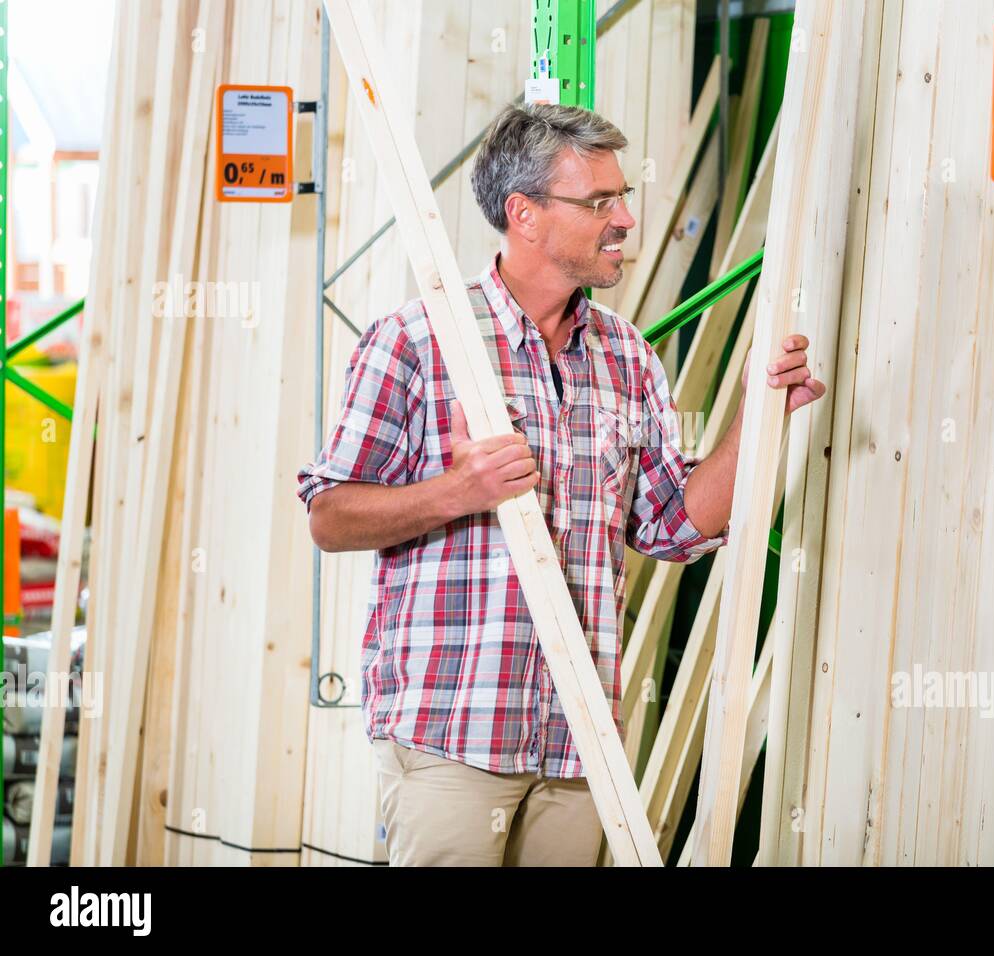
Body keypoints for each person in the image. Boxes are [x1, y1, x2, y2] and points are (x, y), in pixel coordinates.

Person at [296, 102, 826, 866]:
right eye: (600, 200)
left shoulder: (628, 357)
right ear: (526, 215)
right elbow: (331, 516)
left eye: (624, 196)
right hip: (454, 736)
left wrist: (757, 411)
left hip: (581, 740)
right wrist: (456, 490)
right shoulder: (419, 341)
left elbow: (674, 524)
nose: (627, 219)